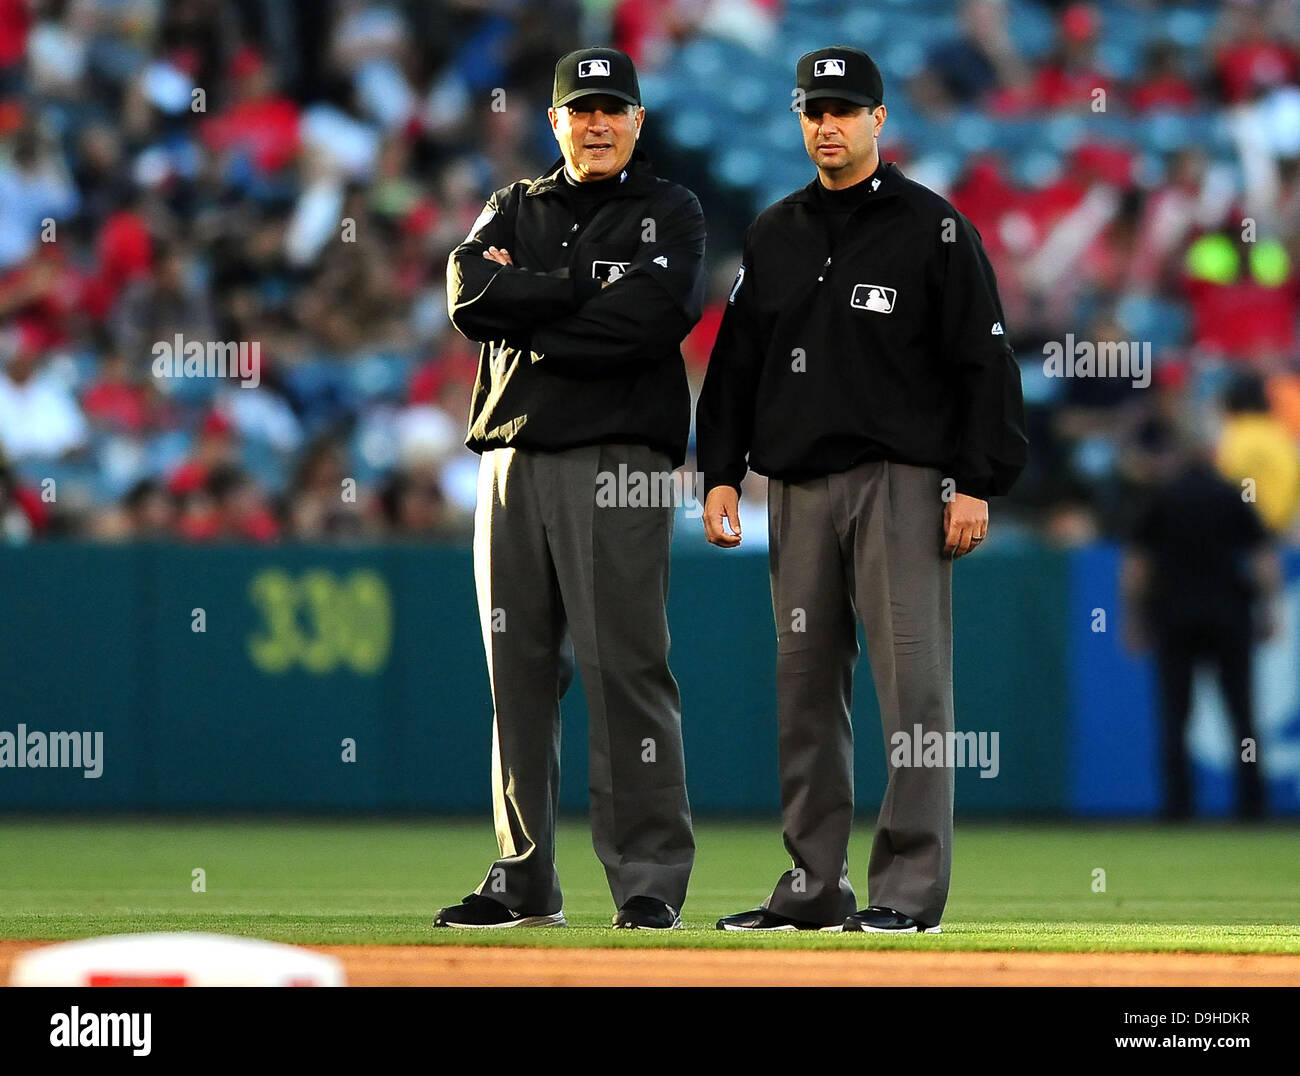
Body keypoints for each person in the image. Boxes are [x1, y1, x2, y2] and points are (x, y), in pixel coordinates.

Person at [697, 46, 1026, 933]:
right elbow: (734, 365)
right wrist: (720, 470)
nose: (828, 125)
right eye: (814, 111)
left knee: (913, 694)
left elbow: (984, 364)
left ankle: (908, 893)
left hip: (904, 484)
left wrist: (975, 482)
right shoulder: (775, 231)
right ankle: (812, 888)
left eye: (845, 110)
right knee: (805, 694)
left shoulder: (935, 228)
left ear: (880, 119)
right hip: (798, 486)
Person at [438, 47, 704, 930]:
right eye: (578, 110)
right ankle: (523, 877)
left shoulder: (670, 209)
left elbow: (653, 319)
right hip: (512, 460)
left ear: (637, 120)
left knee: (625, 668)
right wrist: (580, 289)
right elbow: (469, 291)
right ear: (553, 122)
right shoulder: (514, 201)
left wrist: (535, 314)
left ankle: (649, 879)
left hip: (619, 462)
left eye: (611, 108)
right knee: (515, 674)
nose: (595, 123)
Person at [1123, 436, 1278, 821]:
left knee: (1175, 715)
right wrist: (1270, 610)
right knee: (1242, 712)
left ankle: (1178, 807)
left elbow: (1137, 565)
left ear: (1177, 457)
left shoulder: (1162, 497)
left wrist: (1133, 618)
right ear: (1213, 456)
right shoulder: (1232, 495)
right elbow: (1262, 558)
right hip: (1229, 615)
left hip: (1174, 616)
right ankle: (1252, 805)